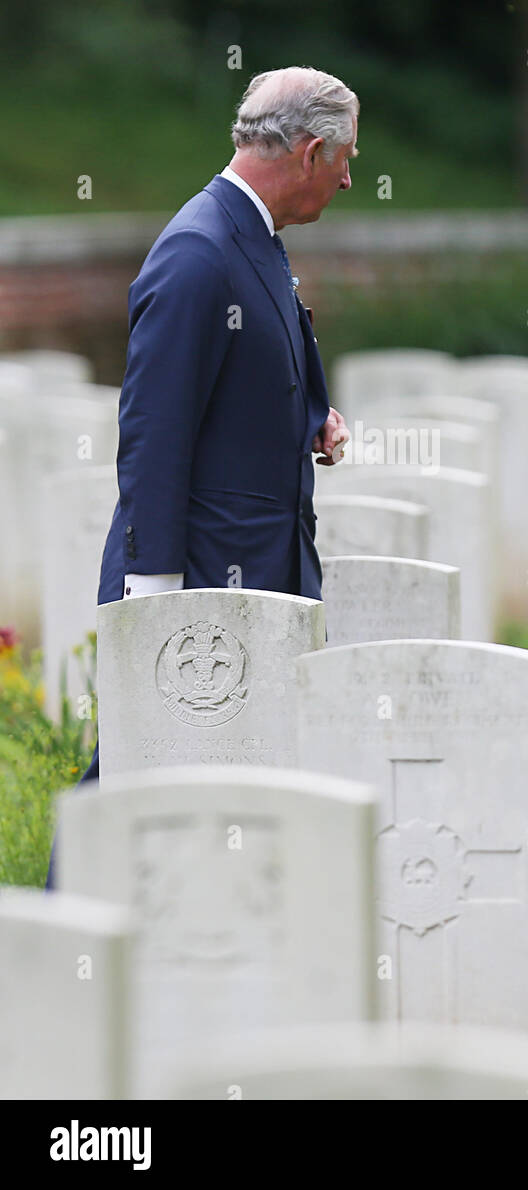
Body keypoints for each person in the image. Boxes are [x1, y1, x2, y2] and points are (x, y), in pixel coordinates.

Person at [45, 65, 355, 885]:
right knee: (131, 787)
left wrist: (309, 418)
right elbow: (154, 430)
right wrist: (153, 589)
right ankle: (54, 938)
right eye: (346, 159)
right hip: (198, 586)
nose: (352, 177)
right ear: (312, 150)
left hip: (254, 574)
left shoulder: (248, 237)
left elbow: (244, 374)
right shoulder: (199, 251)